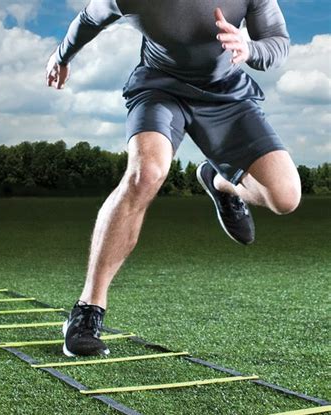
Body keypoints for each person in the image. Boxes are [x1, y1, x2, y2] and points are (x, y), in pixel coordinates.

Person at [45, 0, 301, 357]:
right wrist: (61, 56)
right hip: (160, 88)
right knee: (145, 174)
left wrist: (250, 48)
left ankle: (221, 182)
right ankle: (88, 309)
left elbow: (277, 41)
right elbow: (89, 19)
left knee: (285, 197)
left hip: (227, 93)